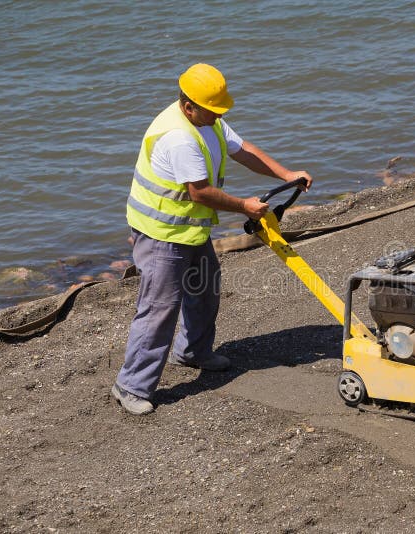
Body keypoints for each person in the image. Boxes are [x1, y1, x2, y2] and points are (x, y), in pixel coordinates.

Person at [112, 63, 313, 415]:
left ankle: (193, 352)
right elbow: (201, 193)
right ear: (188, 105)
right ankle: (130, 385)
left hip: (189, 229)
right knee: (160, 309)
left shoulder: (209, 119)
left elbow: (242, 149)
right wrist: (245, 206)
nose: (219, 116)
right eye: (212, 110)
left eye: (221, 110)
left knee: (205, 291)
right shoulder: (178, 137)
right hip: (162, 234)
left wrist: (287, 174)